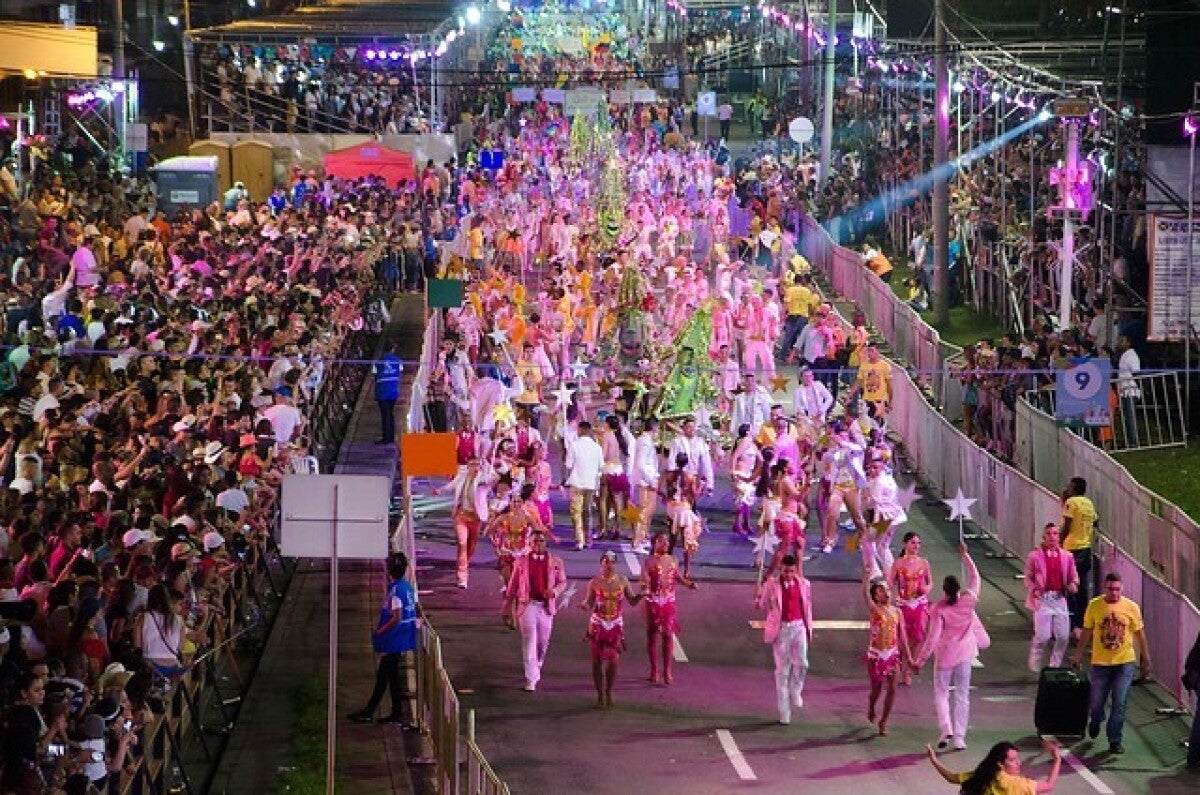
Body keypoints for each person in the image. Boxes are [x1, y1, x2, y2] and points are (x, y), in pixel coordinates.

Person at [1071, 572, 1151, 754]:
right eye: (1110, 589)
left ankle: (1114, 739)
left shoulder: (1131, 607)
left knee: (1120, 702)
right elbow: (1087, 631)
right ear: (1104, 588)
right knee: (1096, 701)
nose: (1114, 593)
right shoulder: (1094, 606)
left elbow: (1140, 634)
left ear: (1121, 588)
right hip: (1101, 663)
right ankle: (1096, 718)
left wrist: (1146, 658)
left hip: (1124, 663)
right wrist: (1077, 655)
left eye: (1117, 589)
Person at [914, 544, 984, 751]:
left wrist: (920, 660)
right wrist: (966, 556)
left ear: (944, 590)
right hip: (965, 655)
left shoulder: (938, 609)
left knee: (942, 693)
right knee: (963, 695)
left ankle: (946, 729)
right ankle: (960, 737)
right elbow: (975, 577)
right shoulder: (969, 600)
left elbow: (932, 638)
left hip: (945, 656)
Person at [349, 552, 420, 724]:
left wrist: (381, 631)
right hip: (404, 638)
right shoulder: (408, 587)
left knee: (383, 677)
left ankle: (369, 712)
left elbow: (396, 616)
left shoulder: (396, 591)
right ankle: (395, 712)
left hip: (395, 639)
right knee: (391, 677)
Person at [502, 529, 566, 692]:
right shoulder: (521, 562)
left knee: (543, 642)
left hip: (546, 606)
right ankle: (531, 679)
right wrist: (507, 606)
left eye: (541, 541)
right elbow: (513, 585)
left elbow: (562, 582)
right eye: (535, 541)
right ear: (529, 544)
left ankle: (537, 664)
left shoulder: (556, 562)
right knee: (529, 640)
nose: (538, 544)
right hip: (527, 604)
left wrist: (555, 592)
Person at [755, 553, 813, 725]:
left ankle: (796, 690)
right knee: (782, 672)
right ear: (781, 568)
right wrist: (758, 594)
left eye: (791, 571)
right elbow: (759, 605)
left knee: (802, 662)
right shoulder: (772, 585)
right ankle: (784, 711)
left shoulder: (804, 584)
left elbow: (808, 607)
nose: (788, 574)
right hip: (781, 630)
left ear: (795, 570)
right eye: (786, 571)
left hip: (799, 626)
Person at [582, 550, 643, 709]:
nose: (609, 565)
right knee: (596, 662)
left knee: (613, 661)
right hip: (597, 624)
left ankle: (608, 691)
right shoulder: (594, 582)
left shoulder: (623, 581)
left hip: (615, 624)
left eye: (612, 562)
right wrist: (584, 605)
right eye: (606, 562)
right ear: (601, 563)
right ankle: (600, 694)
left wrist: (642, 594)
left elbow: (633, 601)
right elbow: (589, 603)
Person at [642, 531, 697, 686]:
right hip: (652, 601)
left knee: (667, 634)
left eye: (667, 541)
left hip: (668, 602)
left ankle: (667, 671)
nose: (665, 543)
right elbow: (645, 577)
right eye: (661, 540)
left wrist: (689, 584)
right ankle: (654, 670)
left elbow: (677, 577)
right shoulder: (648, 561)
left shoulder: (673, 560)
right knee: (651, 635)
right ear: (654, 543)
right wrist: (645, 587)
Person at [1023, 522, 1079, 672]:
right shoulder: (1034, 556)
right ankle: (1035, 659)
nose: (1052, 537)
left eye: (1055, 534)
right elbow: (1027, 577)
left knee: (1063, 635)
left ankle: (1055, 665)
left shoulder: (1067, 556)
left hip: (1060, 598)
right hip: (1043, 598)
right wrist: (1034, 589)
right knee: (1043, 635)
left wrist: (1073, 585)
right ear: (1043, 536)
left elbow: (1074, 577)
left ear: (1059, 537)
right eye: (1049, 534)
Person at [863, 573, 913, 736]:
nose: (885, 593)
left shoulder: (897, 612)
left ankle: (884, 720)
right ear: (876, 597)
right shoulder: (875, 610)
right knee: (876, 690)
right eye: (881, 591)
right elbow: (865, 595)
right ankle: (871, 706)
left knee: (892, 689)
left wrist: (910, 657)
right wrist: (866, 578)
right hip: (877, 656)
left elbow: (903, 636)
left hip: (892, 654)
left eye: (886, 590)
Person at [927, 739, 1062, 794]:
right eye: (1013, 760)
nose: (1018, 763)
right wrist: (1057, 760)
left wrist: (934, 760)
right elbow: (1049, 785)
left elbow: (951, 777)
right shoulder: (1017, 785)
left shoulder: (981, 776)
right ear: (1001, 764)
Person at [1060, 477, 1097, 640]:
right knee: (1081, 589)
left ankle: (1071, 623)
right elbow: (1095, 521)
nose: (1067, 488)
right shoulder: (1088, 503)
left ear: (1074, 488)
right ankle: (1082, 625)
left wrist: (1058, 543)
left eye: (1069, 486)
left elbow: (1067, 525)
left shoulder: (1072, 502)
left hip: (1072, 549)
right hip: (1086, 548)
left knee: (1068, 586)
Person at [564, 421, 604, 550]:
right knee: (588, 512)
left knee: (576, 512)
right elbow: (600, 466)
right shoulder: (597, 447)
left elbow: (569, 465)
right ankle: (588, 538)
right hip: (591, 483)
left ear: (580, 430)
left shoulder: (574, 445)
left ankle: (580, 539)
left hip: (577, 482)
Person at [373, 344, 402, 444]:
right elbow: (400, 370)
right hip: (393, 390)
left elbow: (374, 373)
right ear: (393, 349)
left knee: (385, 415)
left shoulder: (378, 361)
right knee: (390, 413)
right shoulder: (398, 360)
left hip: (382, 391)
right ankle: (391, 437)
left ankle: (386, 438)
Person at [1115, 335, 1141, 446]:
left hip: (1130, 391)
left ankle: (1133, 441)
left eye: (1122, 341)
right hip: (1124, 391)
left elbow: (1136, 373)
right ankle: (1129, 439)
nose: (1119, 343)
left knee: (1131, 417)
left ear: (1128, 343)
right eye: (1119, 341)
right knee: (1127, 417)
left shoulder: (1131, 356)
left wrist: (1139, 389)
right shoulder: (1123, 355)